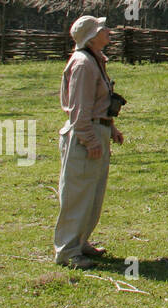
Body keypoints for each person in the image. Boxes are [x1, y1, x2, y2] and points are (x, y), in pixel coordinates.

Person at [53, 15, 124, 269]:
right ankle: (67, 251)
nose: (107, 30)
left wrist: (111, 127)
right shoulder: (83, 64)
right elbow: (78, 111)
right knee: (77, 193)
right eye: (102, 28)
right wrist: (89, 139)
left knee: (93, 192)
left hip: (98, 132)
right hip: (85, 136)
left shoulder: (95, 60)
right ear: (92, 37)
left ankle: (80, 242)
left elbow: (98, 103)